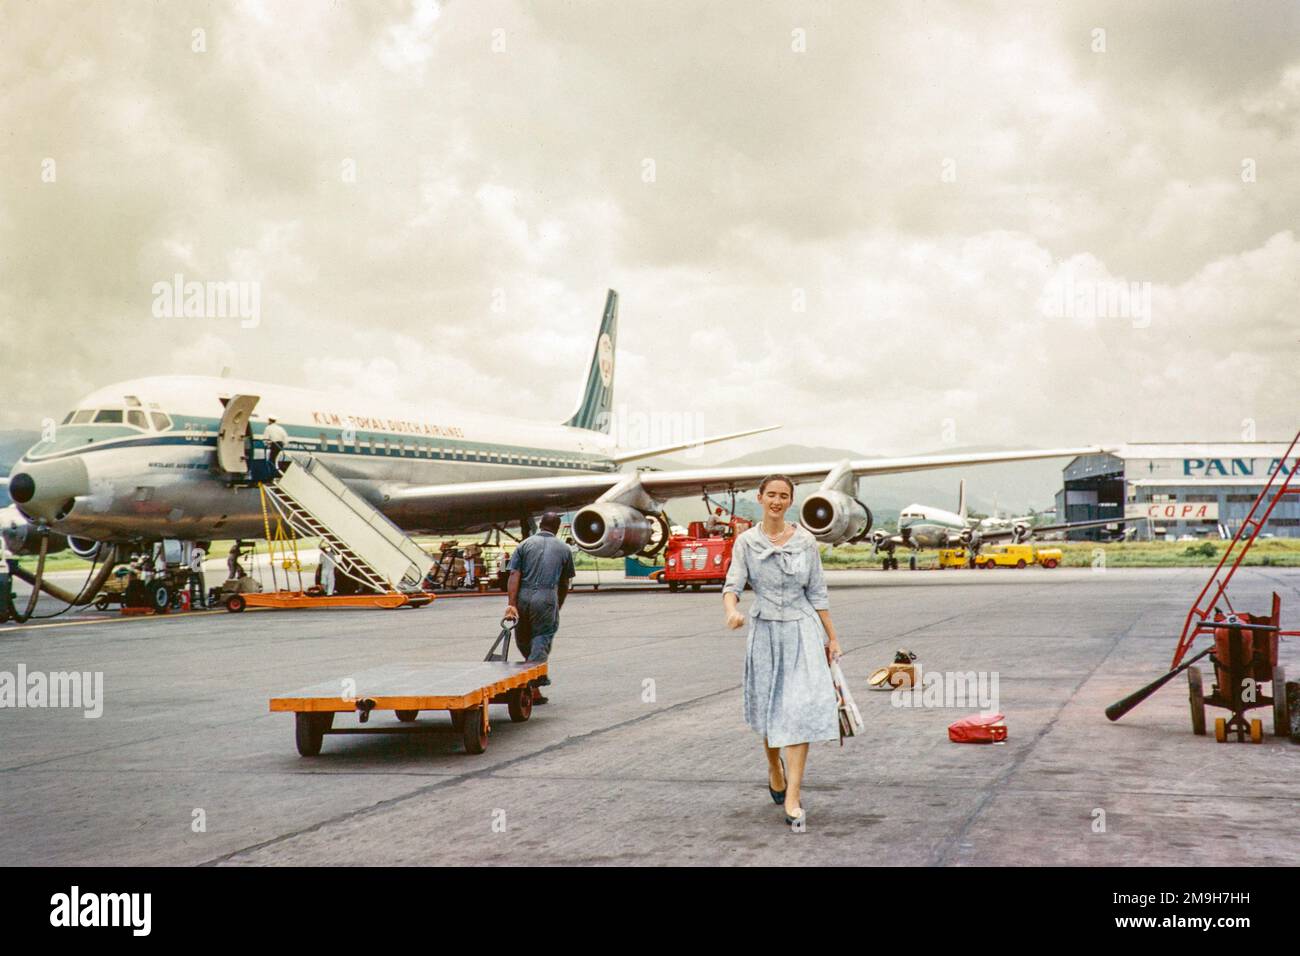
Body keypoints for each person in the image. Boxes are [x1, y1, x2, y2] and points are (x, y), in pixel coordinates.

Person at [722, 473, 843, 831]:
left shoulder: (806, 542)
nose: (777, 500)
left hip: (802, 628)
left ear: (791, 501)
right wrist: (731, 611)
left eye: (784, 496)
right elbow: (732, 585)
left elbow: (818, 593)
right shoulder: (745, 542)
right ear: (759, 498)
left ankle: (793, 794)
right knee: (771, 706)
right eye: (771, 494)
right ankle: (774, 767)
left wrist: (832, 638)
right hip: (764, 630)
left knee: (800, 708)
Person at [503, 512, 576, 705]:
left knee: (524, 638)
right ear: (558, 527)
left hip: (523, 596)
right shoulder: (564, 549)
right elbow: (564, 582)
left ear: (541, 524)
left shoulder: (524, 545)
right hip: (546, 596)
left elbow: (514, 575)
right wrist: (557, 605)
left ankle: (530, 674)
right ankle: (533, 686)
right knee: (542, 638)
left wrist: (511, 604)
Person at [188, 541, 208, 608]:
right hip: (196, 568)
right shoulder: (197, 551)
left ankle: (192, 602)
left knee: (193, 585)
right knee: (201, 585)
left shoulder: (192, 548)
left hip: (193, 567)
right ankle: (201, 602)